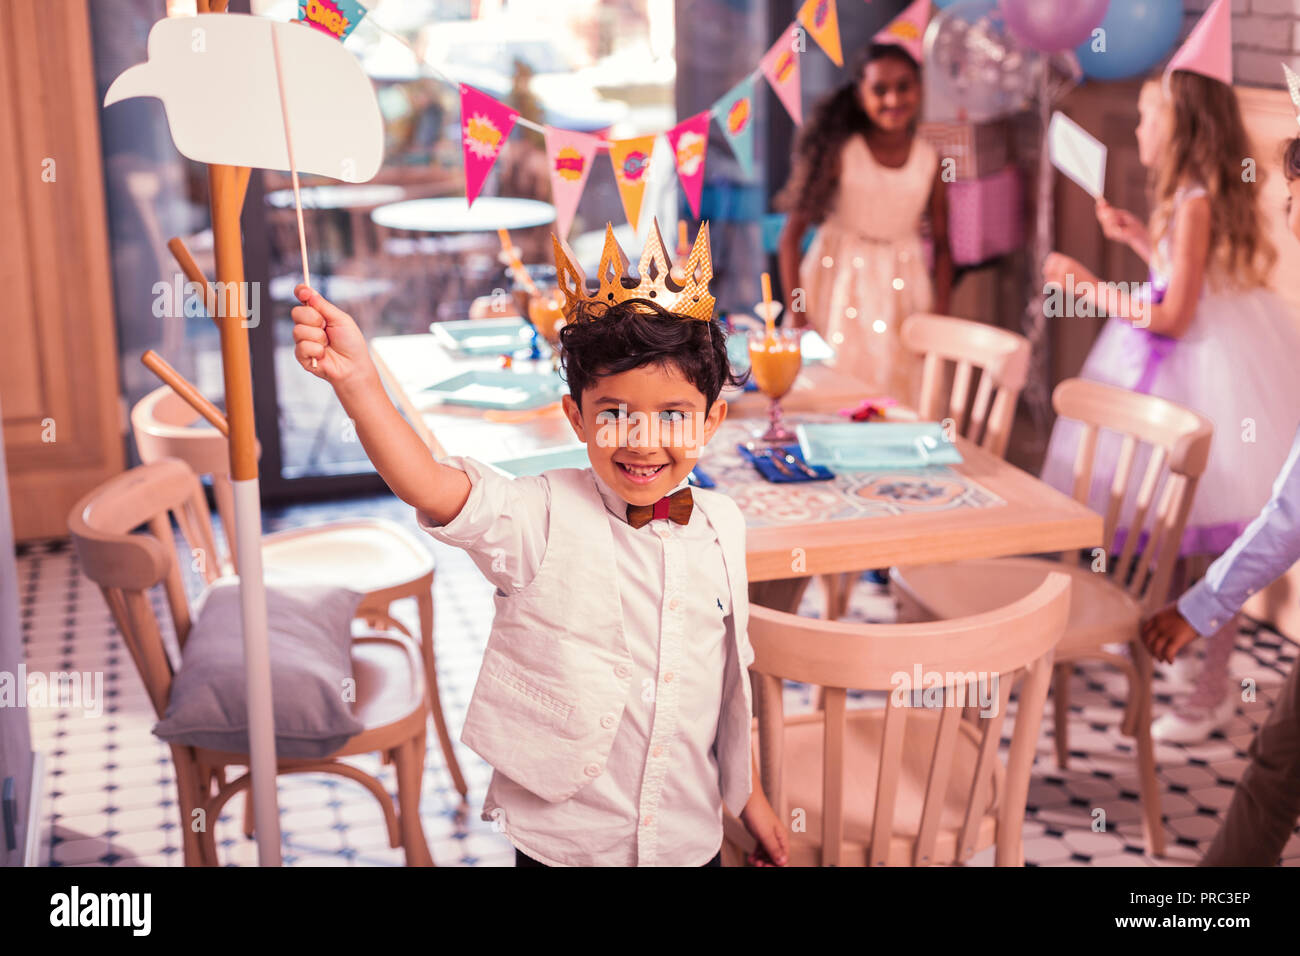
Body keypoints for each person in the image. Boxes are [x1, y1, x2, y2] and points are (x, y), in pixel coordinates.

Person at [289, 222, 788, 867]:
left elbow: (725, 688)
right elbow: (433, 487)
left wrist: (748, 798)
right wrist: (357, 384)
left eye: (672, 414)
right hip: (567, 847)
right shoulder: (539, 514)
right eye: (613, 413)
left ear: (711, 419)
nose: (642, 438)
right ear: (577, 416)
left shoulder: (724, 524)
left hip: (689, 842)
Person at [1039, 67, 1300, 744]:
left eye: (1148, 117)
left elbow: (1175, 315)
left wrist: (1088, 286)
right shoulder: (1189, 198)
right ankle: (1191, 658)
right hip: (1182, 364)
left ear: (1179, 127)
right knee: (1185, 529)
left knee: (1209, 526)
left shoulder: (1194, 202)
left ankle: (1210, 686)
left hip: (1202, 365)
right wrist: (1135, 239)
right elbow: (1182, 275)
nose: (1137, 129)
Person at [775, 38, 952, 407]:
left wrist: (941, 313)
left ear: (919, 88)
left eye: (904, 87)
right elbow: (791, 239)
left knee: (900, 391)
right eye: (880, 90)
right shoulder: (841, 152)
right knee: (830, 386)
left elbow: (944, 243)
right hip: (836, 283)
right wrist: (798, 309)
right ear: (860, 95)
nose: (893, 99)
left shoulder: (930, 161)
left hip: (905, 289)